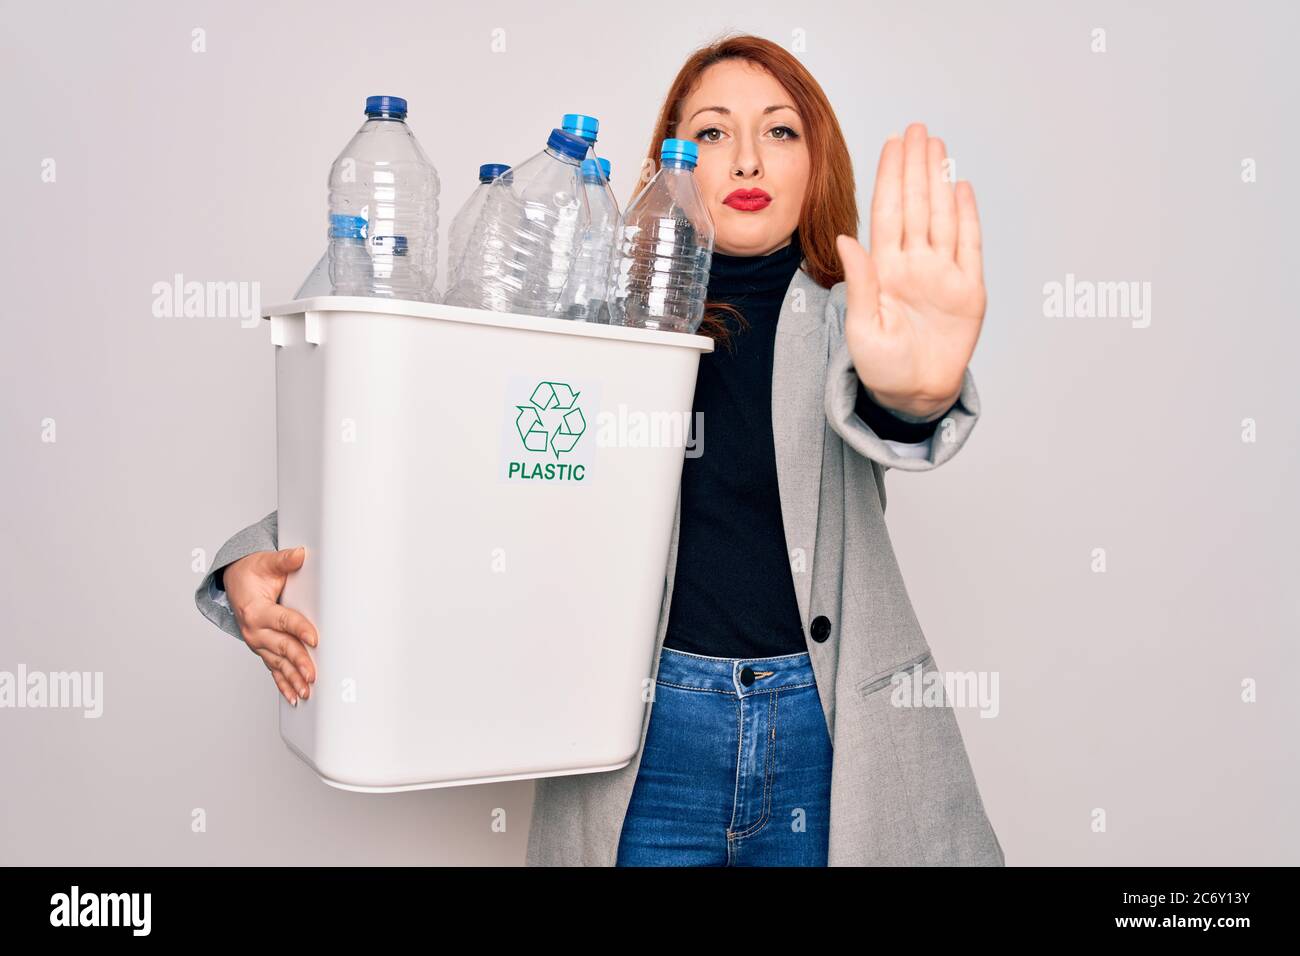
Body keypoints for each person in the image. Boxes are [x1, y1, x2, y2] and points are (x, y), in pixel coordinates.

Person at [195, 32, 1003, 867]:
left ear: (818, 160)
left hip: (824, 735)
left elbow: (891, 409)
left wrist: (916, 398)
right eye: (715, 133)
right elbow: (434, 444)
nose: (749, 162)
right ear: (670, 165)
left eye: (781, 131)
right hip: (648, 739)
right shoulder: (594, 321)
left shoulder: (860, 325)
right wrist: (254, 558)